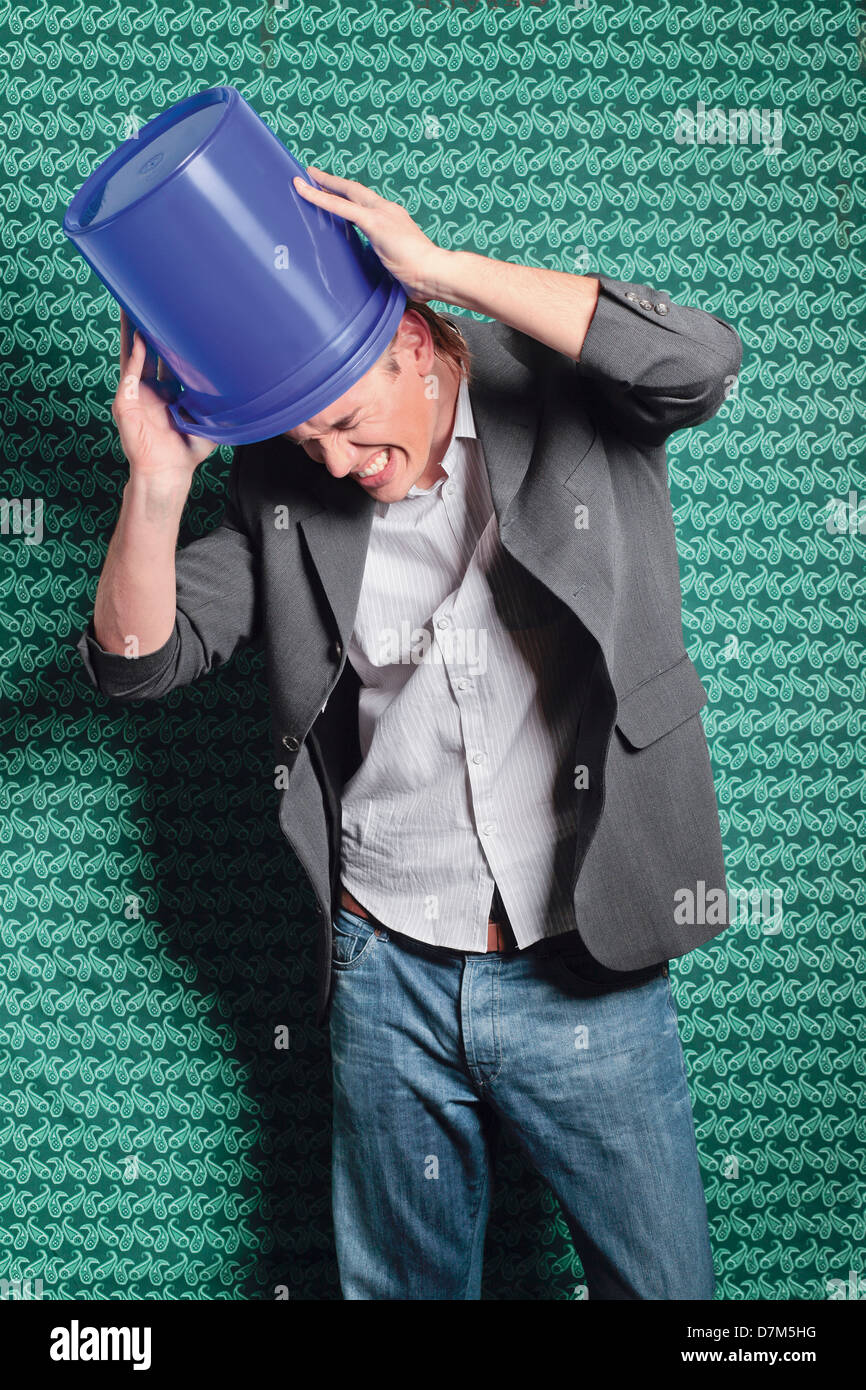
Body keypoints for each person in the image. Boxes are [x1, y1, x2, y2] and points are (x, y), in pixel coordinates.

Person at [77, 166, 743, 1300]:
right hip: (383, 963)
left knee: (664, 1293)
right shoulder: (285, 490)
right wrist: (155, 485)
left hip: (582, 956)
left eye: (345, 422)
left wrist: (440, 267)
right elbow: (138, 662)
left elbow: (698, 359)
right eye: (303, 437)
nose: (333, 460)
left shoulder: (567, 396)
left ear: (420, 343)